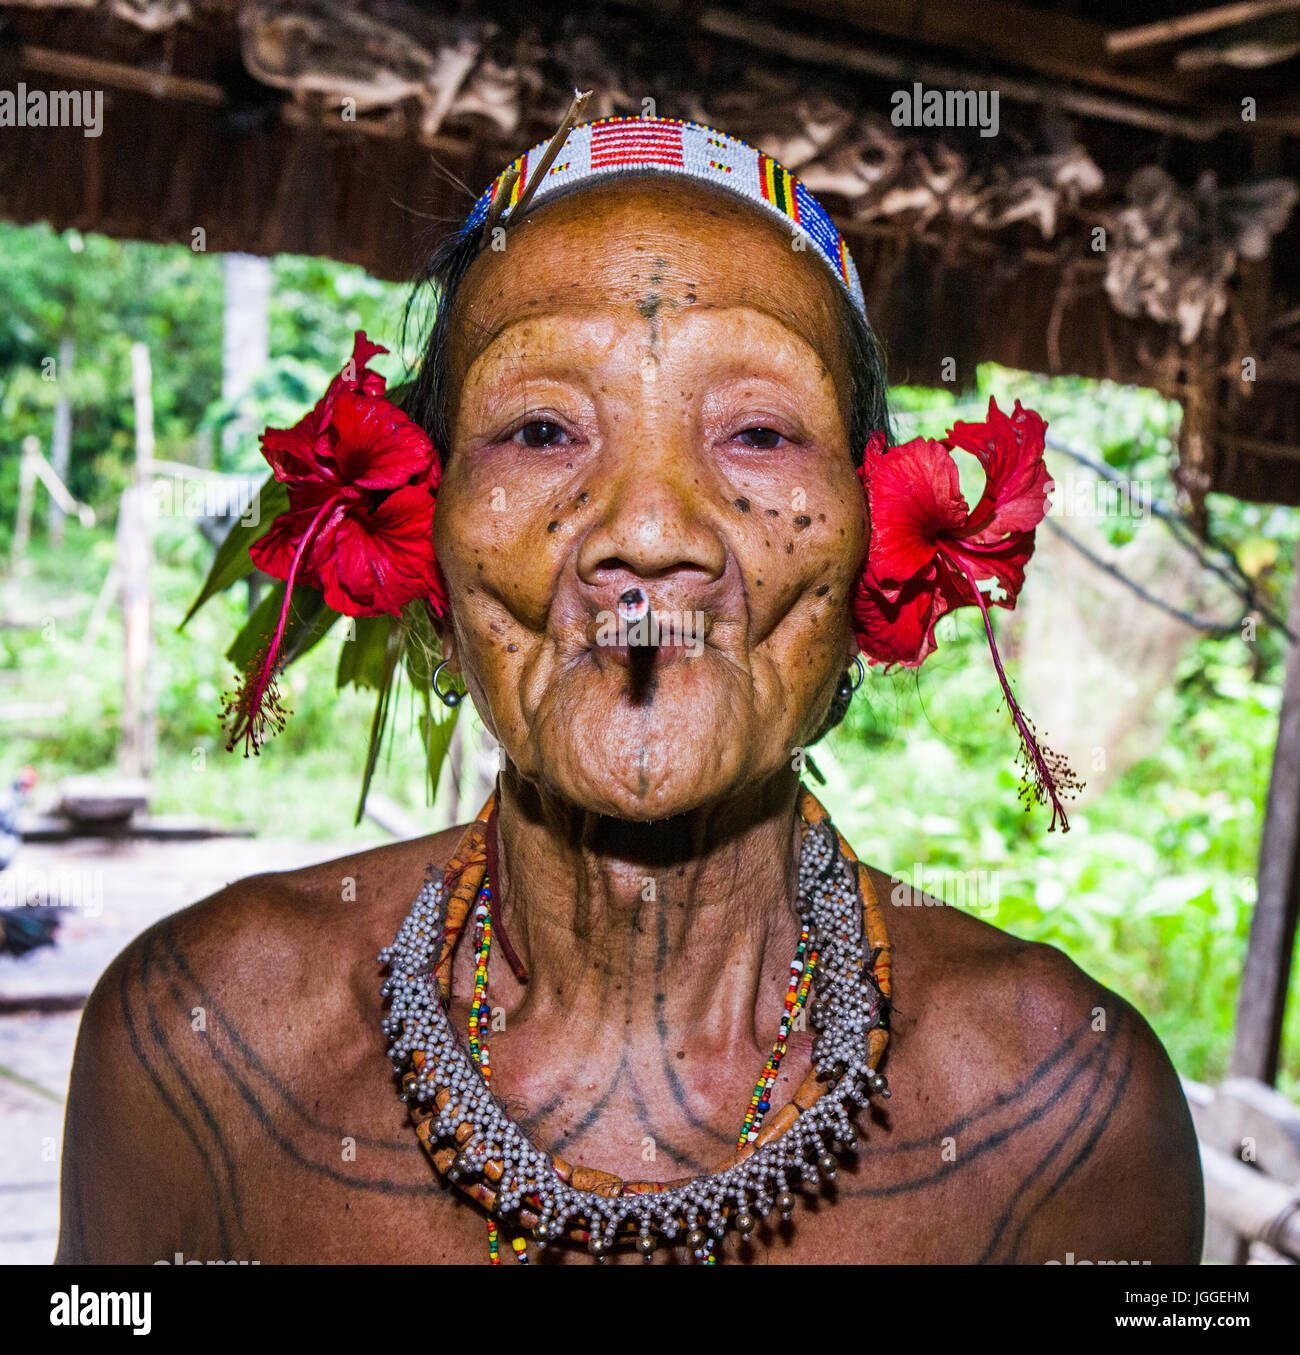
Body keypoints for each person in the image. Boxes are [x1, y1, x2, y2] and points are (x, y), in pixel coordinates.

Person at [56, 116, 1202, 1265]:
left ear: (877, 546)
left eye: (758, 432)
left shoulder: (1069, 1111)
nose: (649, 531)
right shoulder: (193, 1047)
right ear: (427, 537)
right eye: (541, 428)